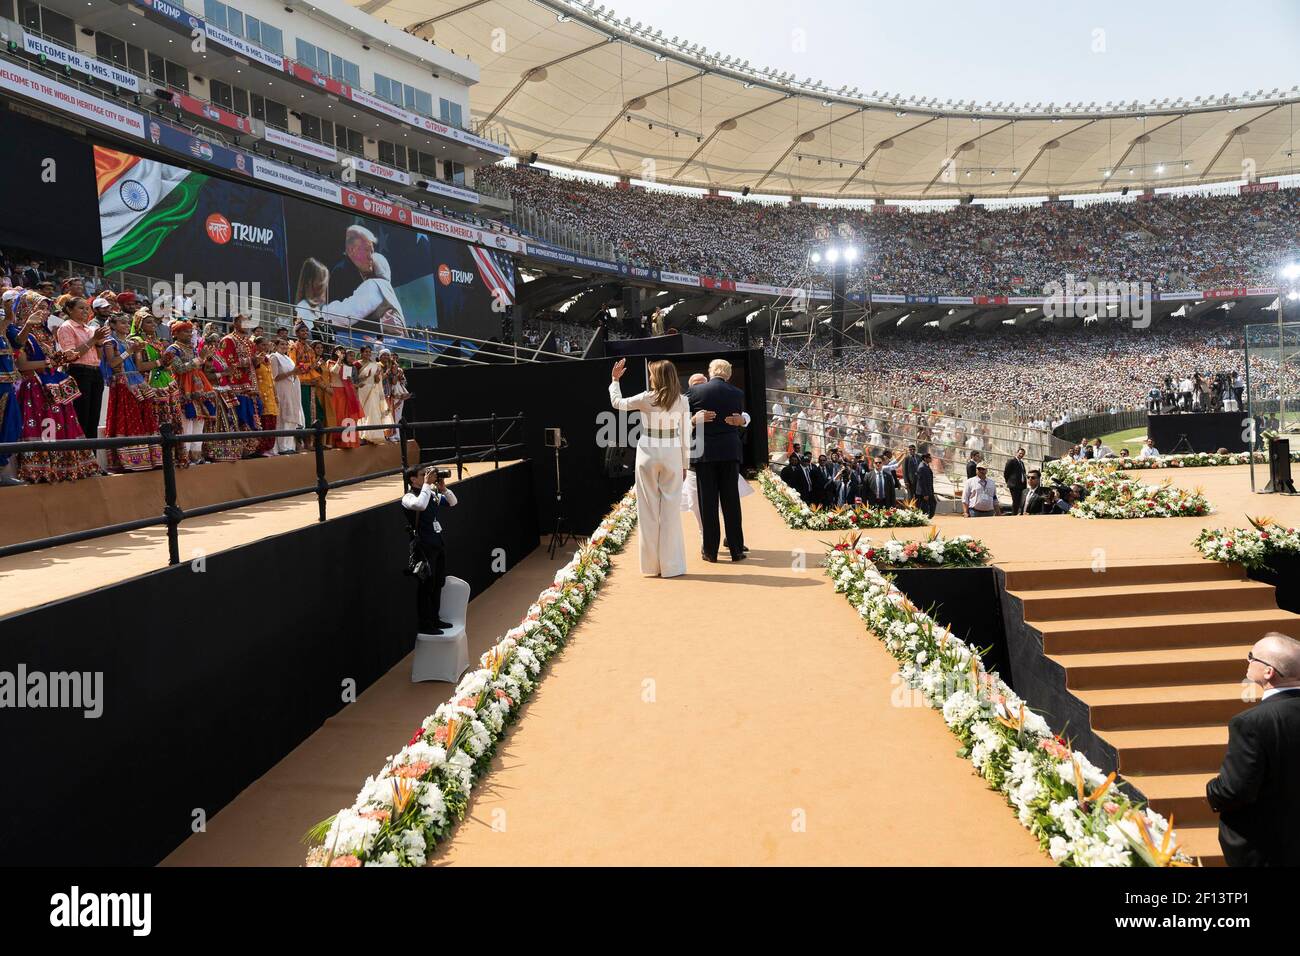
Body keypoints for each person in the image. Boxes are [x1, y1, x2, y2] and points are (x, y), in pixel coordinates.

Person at [1206, 632, 1300, 867]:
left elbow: (1234, 790)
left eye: (1252, 657)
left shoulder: (1251, 722)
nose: (1247, 661)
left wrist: (1211, 790)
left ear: (1269, 672)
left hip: (1268, 851)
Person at [609, 357, 692, 577]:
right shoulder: (683, 401)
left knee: (647, 510)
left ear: (657, 377)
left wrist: (615, 381)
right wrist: (685, 464)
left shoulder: (647, 398)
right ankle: (671, 566)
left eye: (651, 374)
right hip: (672, 452)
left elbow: (618, 403)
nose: (649, 377)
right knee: (671, 511)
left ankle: (650, 567)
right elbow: (686, 434)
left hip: (647, 452)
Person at [7, 292, 99, 483]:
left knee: (61, 427)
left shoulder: (47, 333)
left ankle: (65, 467)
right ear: (27, 309)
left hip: (52, 384)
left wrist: (59, 359)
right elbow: (22, 366)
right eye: (40, 307)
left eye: (47, 308)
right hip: (35, 386)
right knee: (44, 430)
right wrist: (51, 361)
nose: (45, 312)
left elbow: (53, 361)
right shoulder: (16, 331)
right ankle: (41, 469)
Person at [100, 312, 161, 472]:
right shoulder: (109, 342)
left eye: (128, 323)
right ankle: (127, 460)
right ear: (112, 325)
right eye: (122, 323)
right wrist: (131, 350)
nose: (126, 326)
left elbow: (137, 365)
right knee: (126, 418)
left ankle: (147, 458)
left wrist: (137, 351)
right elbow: (113, 363)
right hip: (121, 383)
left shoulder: (129, 342)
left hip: (135, 381)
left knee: (143, 416)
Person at [402, 465, 458, 634]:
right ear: (413, 479)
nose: (428, 476)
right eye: (423, 474)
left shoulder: (431, 493)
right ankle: (425, 625)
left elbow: (453, 502)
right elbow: (420, 505)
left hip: (437, 542)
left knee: (438, 583)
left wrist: (443, 488)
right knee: (426, 585)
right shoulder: (407, 497)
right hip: (423, 545)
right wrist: (427, 484)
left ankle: (435, 619)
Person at [54, 296, 108, 443]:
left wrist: (98, 342)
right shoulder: (67, 327)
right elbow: (71, 356)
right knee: (82, 415)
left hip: (95, 372)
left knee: (94, 416)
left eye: (87, 308)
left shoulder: (90, 328)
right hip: (79, 372)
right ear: (70, 310)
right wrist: (93, 340)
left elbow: (98, 356)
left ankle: (93, 458)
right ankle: (82, 456)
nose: (85, 311)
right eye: (81, 308)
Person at [269, 337, 301, 455]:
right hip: (280, 390)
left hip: (291, 390)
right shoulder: (274, 357)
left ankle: (289, 445)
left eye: (286, 344)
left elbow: (292, 374)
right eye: (281, 344)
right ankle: (282, 447)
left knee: (291, 416)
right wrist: (292, 372)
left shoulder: (288, 358)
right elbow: (275, 377)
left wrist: (296, 372)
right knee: (283, 417)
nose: (284, 346)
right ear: (276, 345)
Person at [355, 345, 391, 445]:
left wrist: (376, 376)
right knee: (363, 414)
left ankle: (372, 436)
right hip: (361, 391)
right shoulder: (356, 364)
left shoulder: (374, 365)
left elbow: (377, 381)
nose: (368, 354)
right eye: (366, 352)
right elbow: (354, 379)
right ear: (361, 353)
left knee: (373, 413)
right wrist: (365, 378)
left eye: (369, 352)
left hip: (372, 392)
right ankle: (362, 436)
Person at [1004, 447, 1029, 515]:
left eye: (1023, 454)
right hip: (1014, 485)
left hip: (1021, 485)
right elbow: (1006, 473)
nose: (1021, 455)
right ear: (1017, 453)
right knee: (1015, 501)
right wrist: (1009, 482)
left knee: (1020, 501)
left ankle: (1018, 514)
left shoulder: (1021, 463)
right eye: (1020, 453)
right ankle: (1014, 515)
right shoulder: (1011, 461)